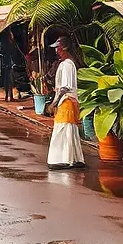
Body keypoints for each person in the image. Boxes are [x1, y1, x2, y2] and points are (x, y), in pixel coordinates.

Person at [47, 38, 84, 169]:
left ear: (64, 48)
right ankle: (74, 159)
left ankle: (63, 159)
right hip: (66, 101)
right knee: (68, 131)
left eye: (59, 48)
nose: (57, 51)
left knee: (63, 130)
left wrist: (54, 103)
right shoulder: (65, 64)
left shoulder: (67, 64)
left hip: (66, 101)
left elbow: (65, 87)